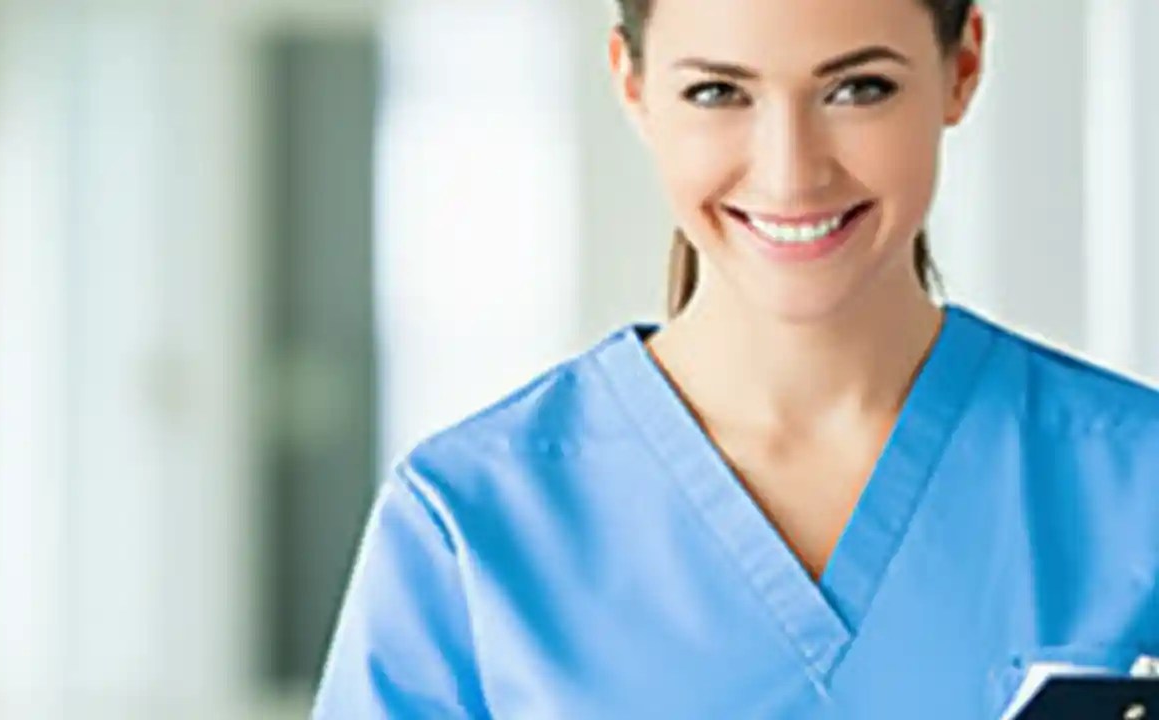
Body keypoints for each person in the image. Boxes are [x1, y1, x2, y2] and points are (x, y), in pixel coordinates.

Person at [312, 0, 1159, 716]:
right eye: (718, 92)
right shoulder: (469, 523)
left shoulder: (1137, 482)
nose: (791, 174)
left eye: (859, 88)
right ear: (633, 86)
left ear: (962, 66)